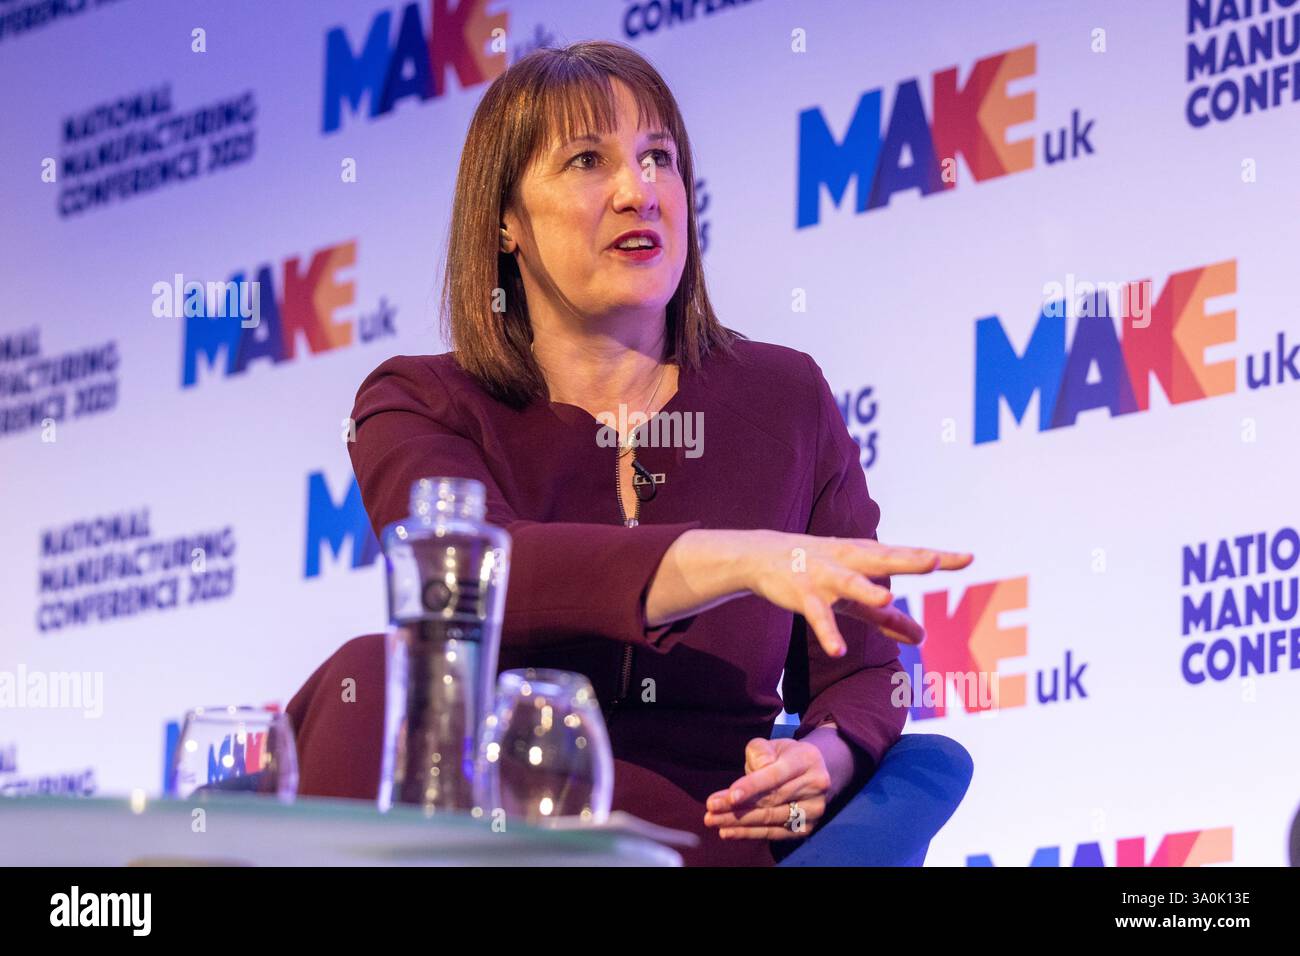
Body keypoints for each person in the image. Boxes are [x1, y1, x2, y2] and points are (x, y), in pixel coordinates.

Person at [292, 39, 972, 866]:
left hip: (698, 829)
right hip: (483, 820)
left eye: (659, 158)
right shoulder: (418, 402)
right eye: (588, 160)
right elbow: (475, 574)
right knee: (369, 675)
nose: (637, 191)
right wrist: (737, 558)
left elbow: (865, 665)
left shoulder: (784, 397)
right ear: (505, 220)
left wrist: (822, 759)